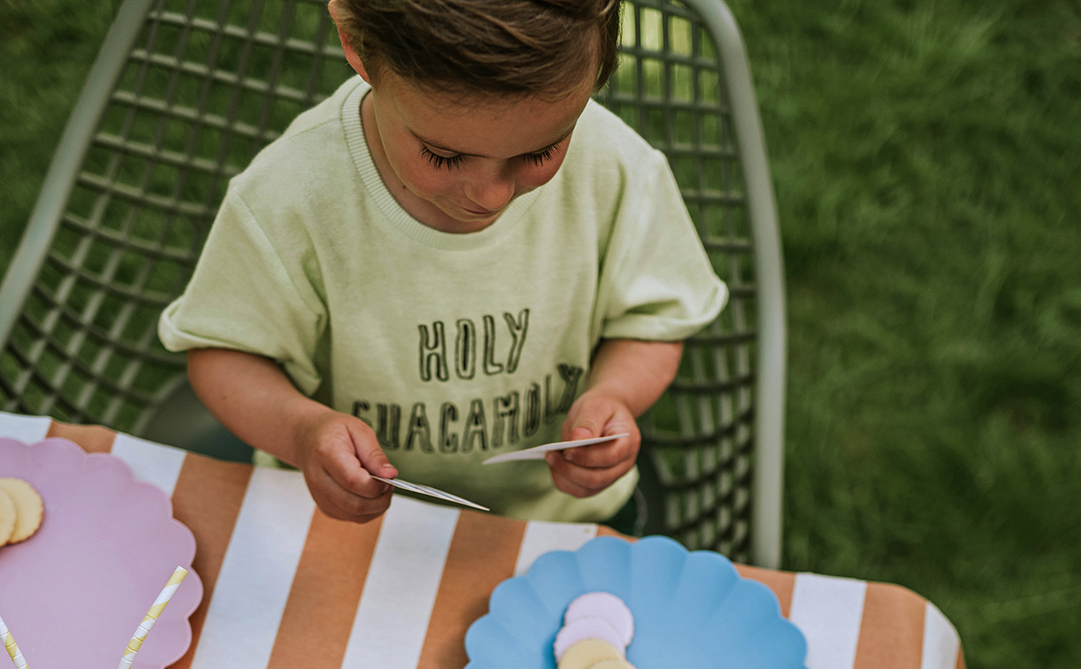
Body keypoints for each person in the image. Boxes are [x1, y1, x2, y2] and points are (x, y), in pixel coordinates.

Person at [158, 0, 726, 527]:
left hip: (554, 523)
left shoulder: (617, 168)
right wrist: (303, 432)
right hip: (349, 527)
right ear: (357, 45)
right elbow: (225, 355)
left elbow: (649, 323)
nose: (491, 196)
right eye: (445, 154)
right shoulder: (292, 197)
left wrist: (615, 395)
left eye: (540, 151)